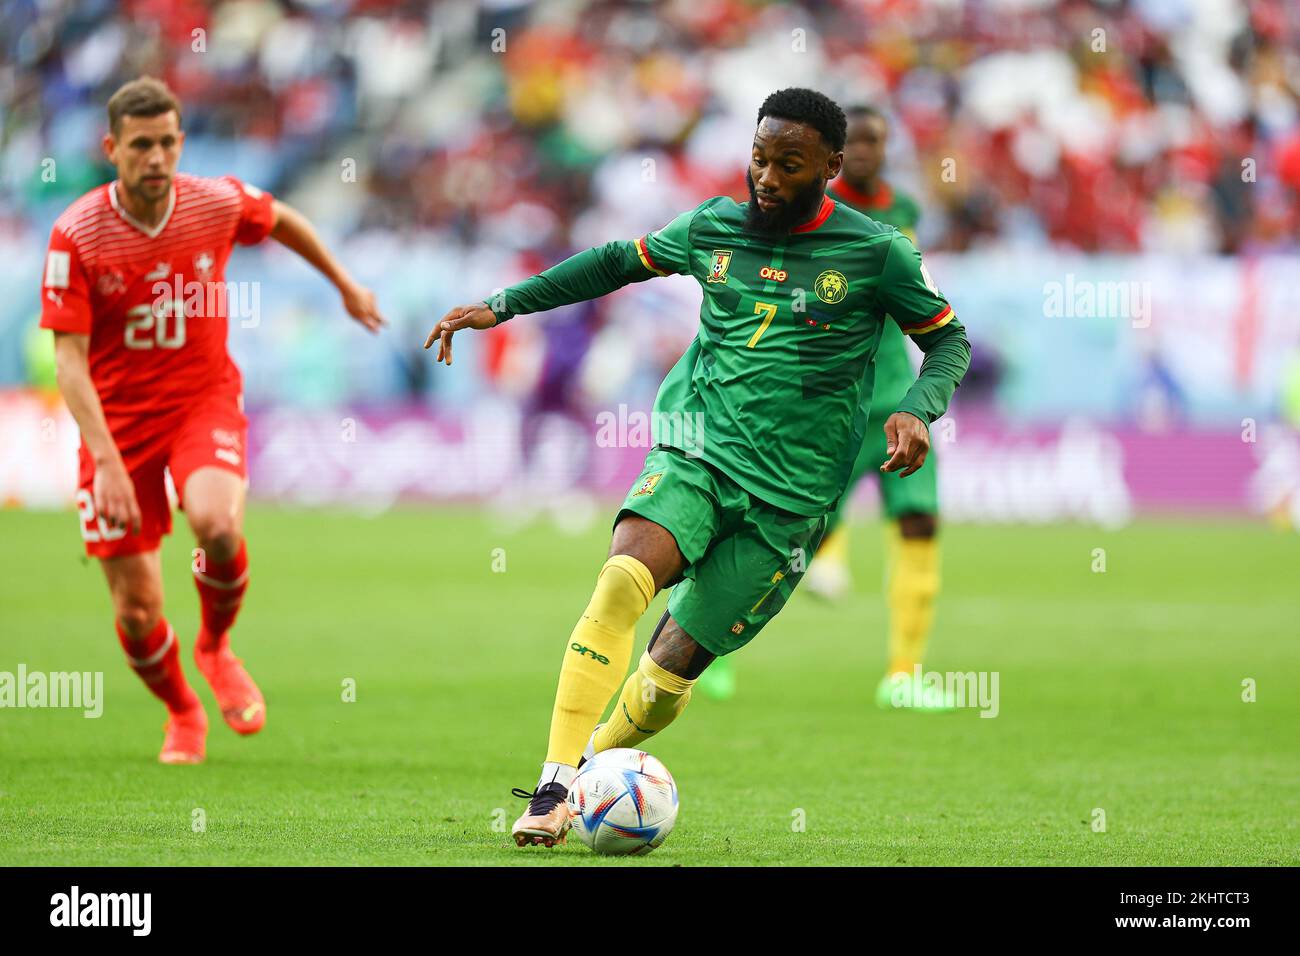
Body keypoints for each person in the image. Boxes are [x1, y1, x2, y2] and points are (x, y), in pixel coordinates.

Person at [426, 88, 970, 847]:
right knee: (622, 578)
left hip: (793, 498)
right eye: (759, 157)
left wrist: (918, 405)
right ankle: (554, 783)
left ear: (831, 167)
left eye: (789, 164)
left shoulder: (878, 252)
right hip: (697, 450)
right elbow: (617, 262)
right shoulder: (713, 227)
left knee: (667, 672)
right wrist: (504, 304)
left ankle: (591, 765)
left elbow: (949, 341)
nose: (767, 177)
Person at [40, 77, 384, 764]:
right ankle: (182, 708)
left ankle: (215, 646)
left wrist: (342, 283)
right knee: (136, 611)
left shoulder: (213, 201)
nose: (158, 157)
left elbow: (281, 217)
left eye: (168, 142)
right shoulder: (76, 234)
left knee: (218, 524)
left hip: (202, 400)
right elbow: (69, 363)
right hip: (116, 429)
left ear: (181, 143)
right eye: (141, 145)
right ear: (112, 149)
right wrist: (105, 461)